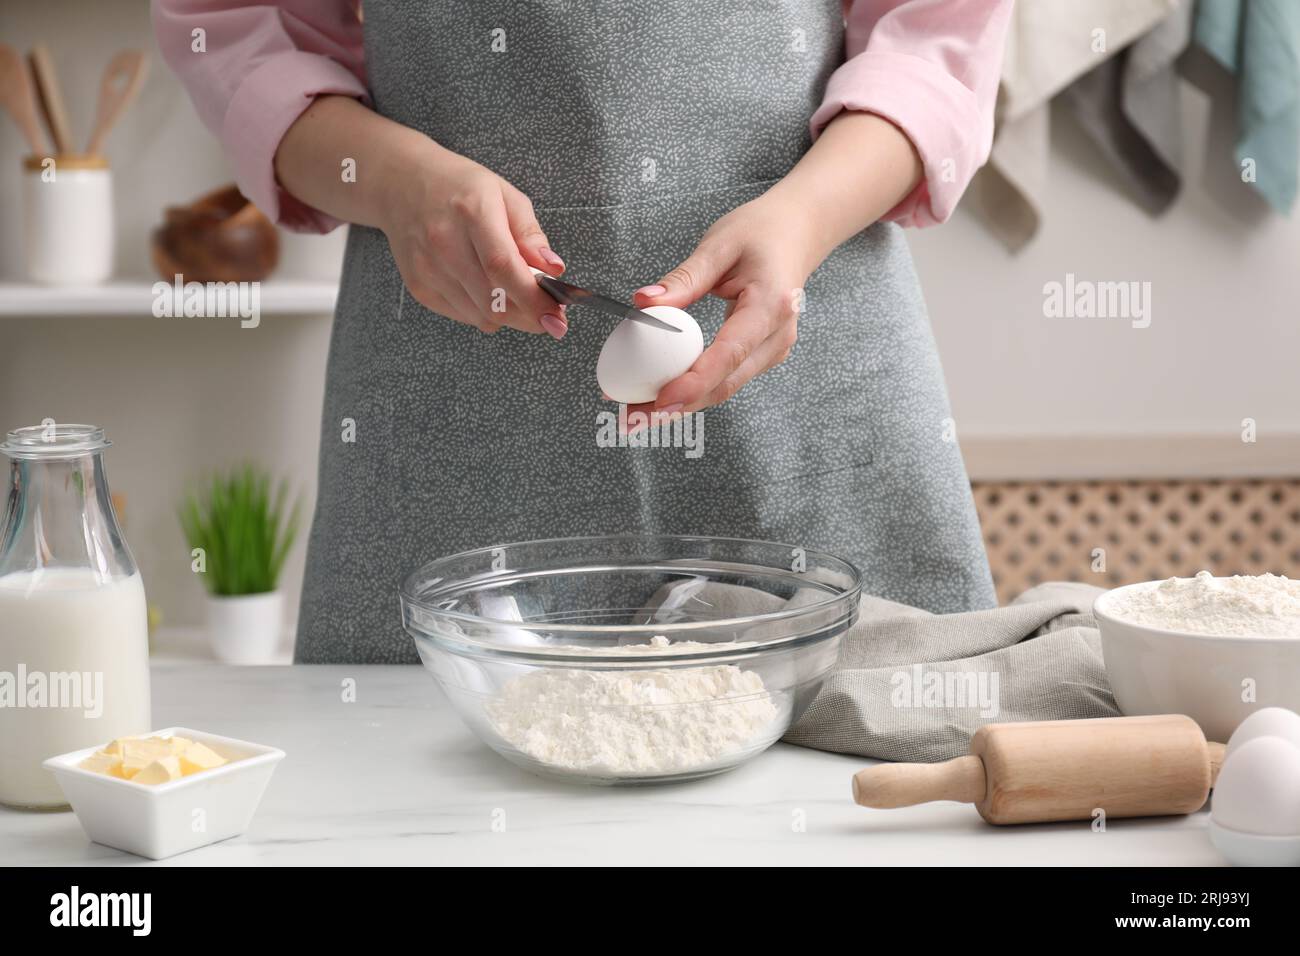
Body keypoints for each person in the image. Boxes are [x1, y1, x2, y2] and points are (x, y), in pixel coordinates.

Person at [154, 0, 1013, 663]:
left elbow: (936, 30)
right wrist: (391, 182)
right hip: (449, 394)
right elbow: (237, 29)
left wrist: (804, 218)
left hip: (806, 355)